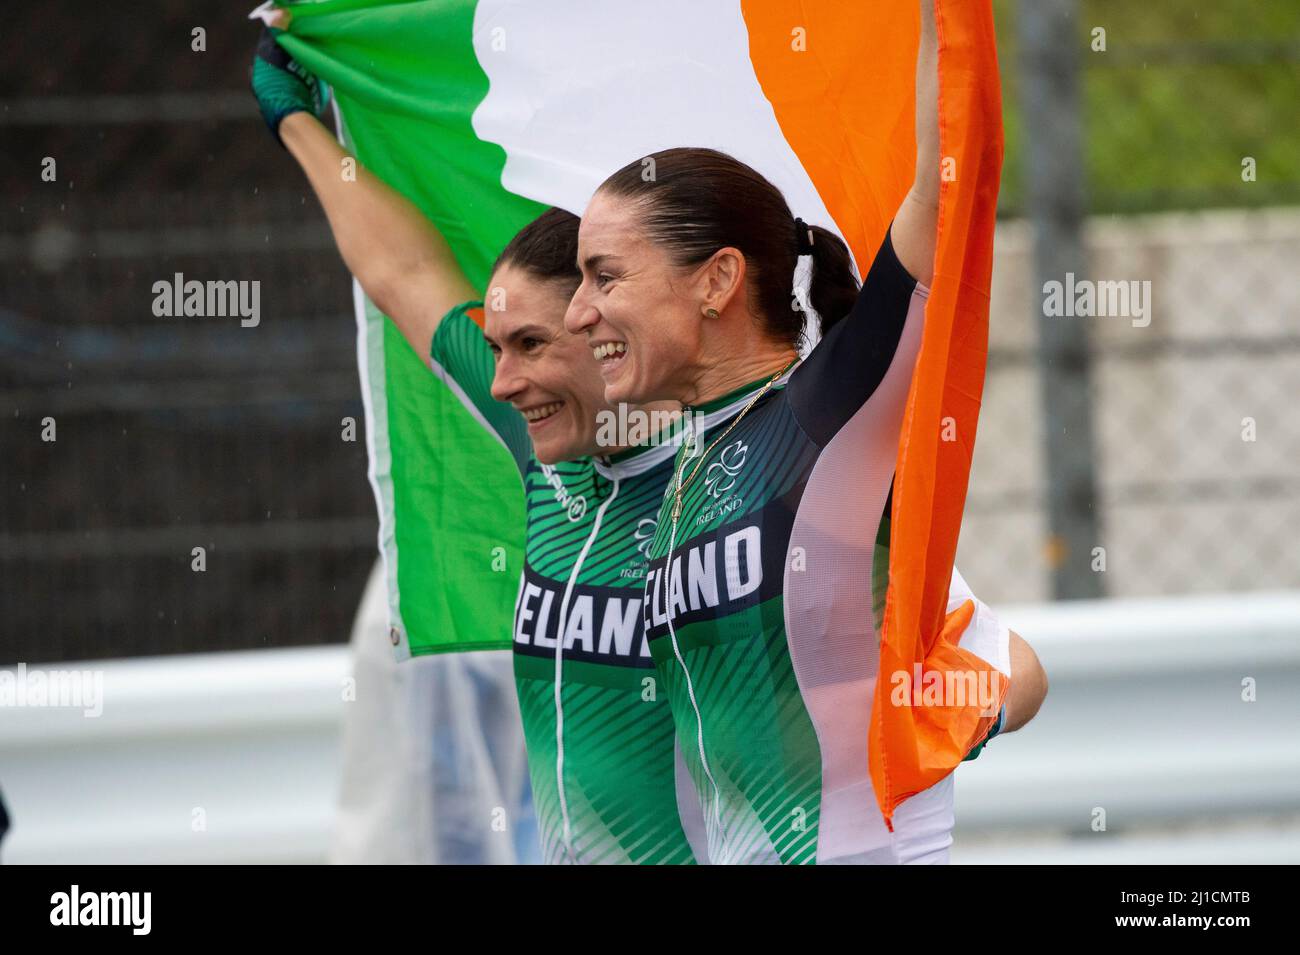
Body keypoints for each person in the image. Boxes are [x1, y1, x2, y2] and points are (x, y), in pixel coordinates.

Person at [564, 0, 1047, 863]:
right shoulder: (674, 474)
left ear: (716, 282)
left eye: (604, 275)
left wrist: (950, 18)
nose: (578, 311)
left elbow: (946, 172)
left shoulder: (828, 412)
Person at [251, 24, 698, 864]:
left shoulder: (751, 471)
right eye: (495, 349)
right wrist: (299, 126)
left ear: (606, 332)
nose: (499, 383)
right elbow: (406, 274)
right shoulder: (546, 453)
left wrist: (952, 704)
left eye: (529, 346)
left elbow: (997, 660)